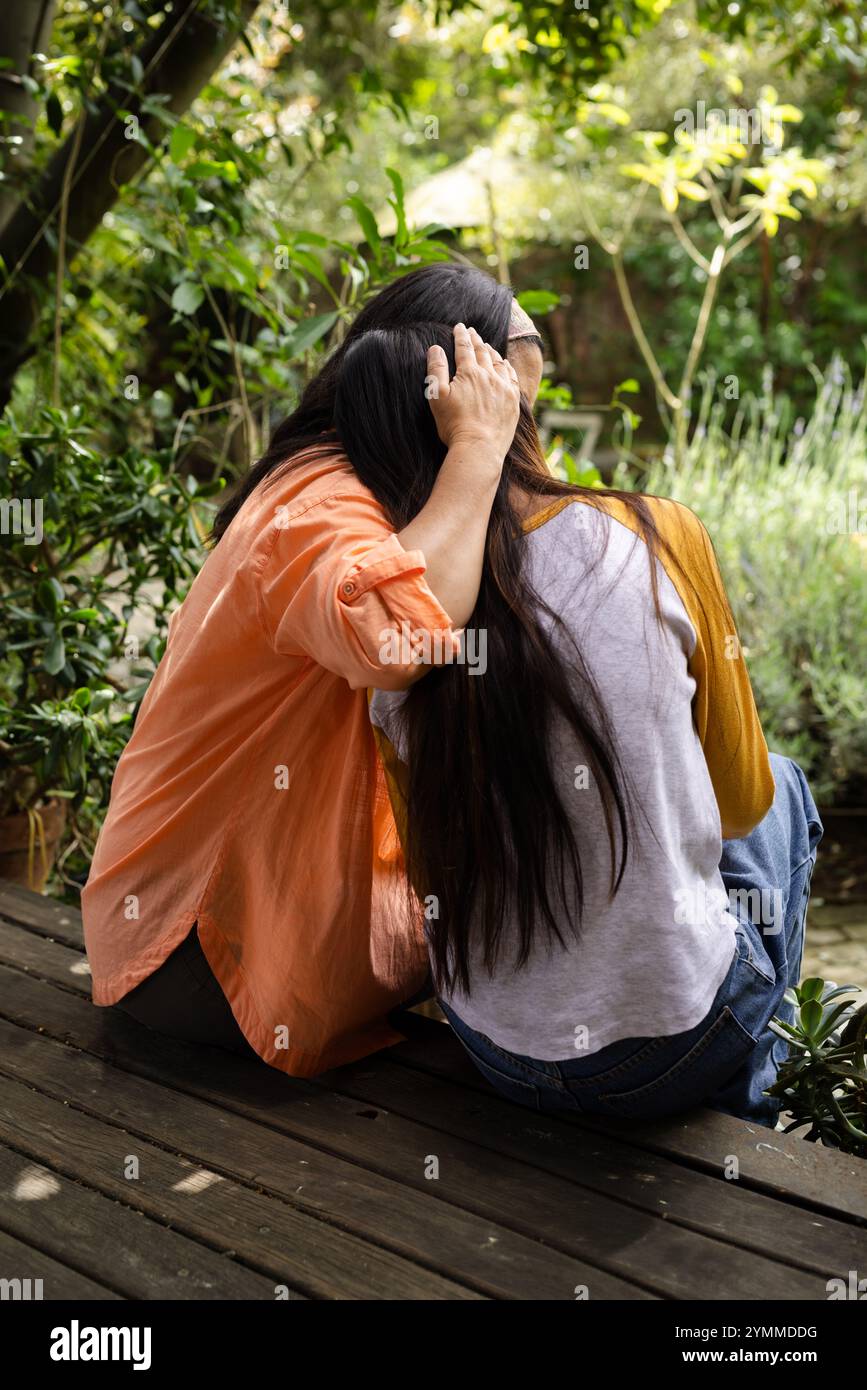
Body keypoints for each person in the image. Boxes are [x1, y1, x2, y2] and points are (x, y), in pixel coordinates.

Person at [364, 285, 822, 1128]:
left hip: (494, 1045)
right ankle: (751, 1081)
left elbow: (428, 868)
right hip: (667, 1053)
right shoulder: (653, 534)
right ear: (509, 381)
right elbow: (738, 803)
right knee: (783, 787)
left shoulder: (392, 611)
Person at [82, 263, 537, 1076]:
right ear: (438, 391)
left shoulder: (349, 483)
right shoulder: (317, 503)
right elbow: (395, 644)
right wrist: (477, 451)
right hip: (203, 960)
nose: (522, 451)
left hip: (215, 947)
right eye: (508, 411)